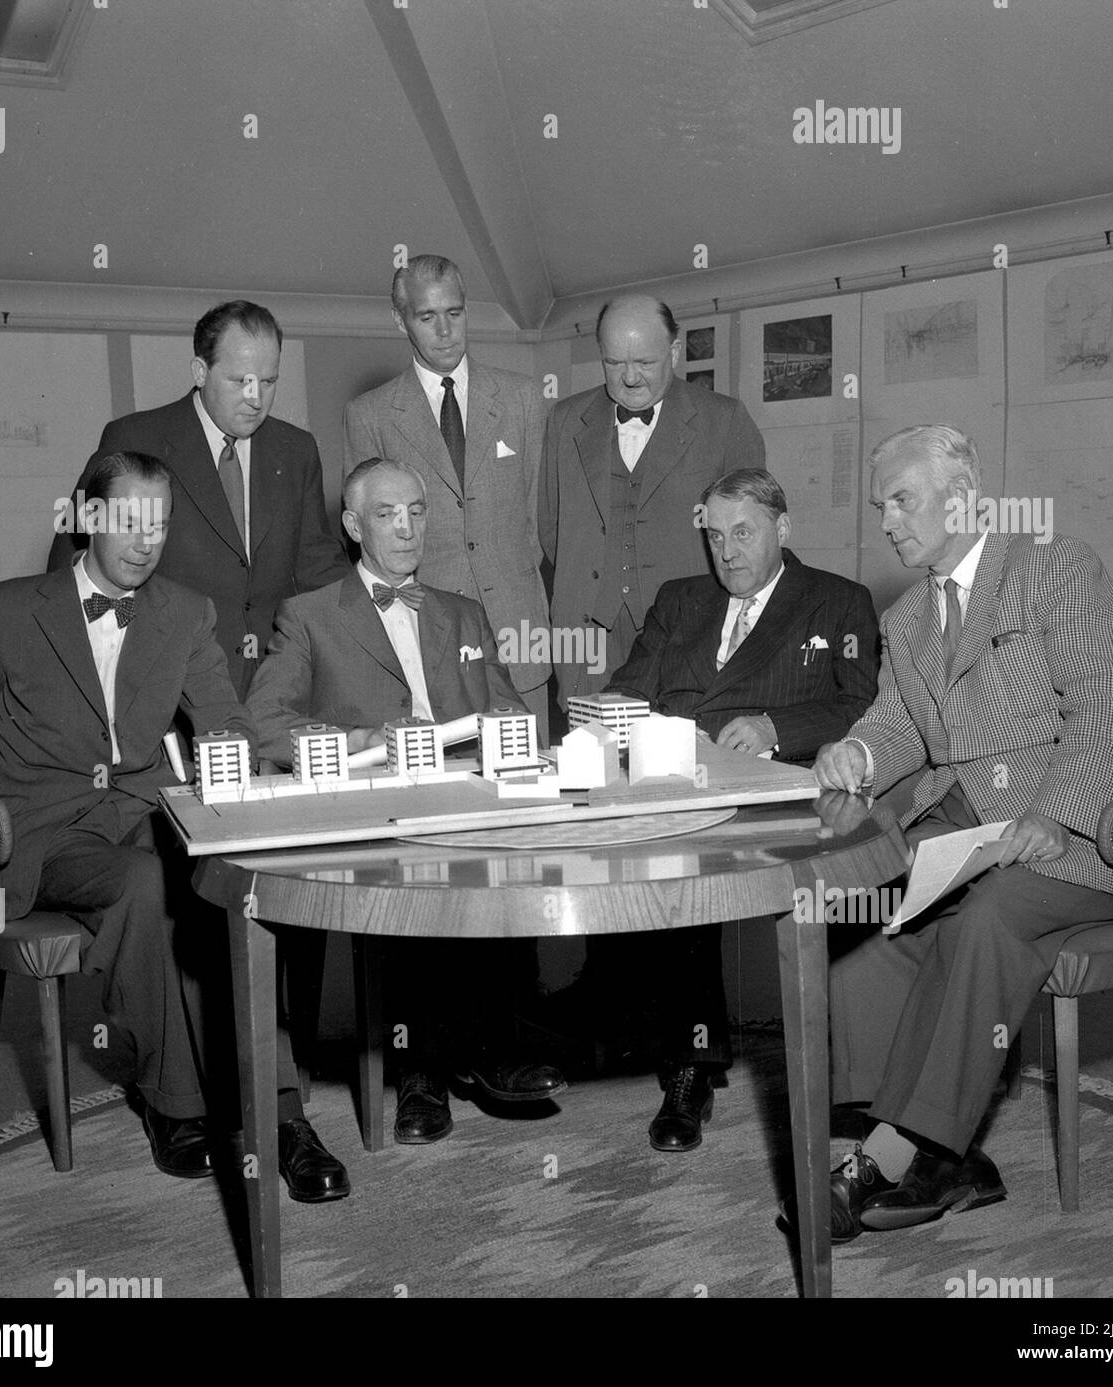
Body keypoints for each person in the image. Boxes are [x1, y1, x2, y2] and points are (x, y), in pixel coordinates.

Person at [0, 452, 349, 1202]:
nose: (146, 540)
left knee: (231, 888)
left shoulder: (182, 610)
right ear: (87, 516)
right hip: (50, 829)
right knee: (149, 883)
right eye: (127, 520)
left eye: (158, 524)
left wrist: (240, 769)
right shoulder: (8, 607)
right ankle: (178, 1106)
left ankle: (282, 1118)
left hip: (155, 809)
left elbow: (225, 722)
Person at [805, 424, 1113, 1241]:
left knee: (988, 916)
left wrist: (1056, 811)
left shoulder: (1054, 569)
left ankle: (899, 1152)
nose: (889, 521)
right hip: (970, 823)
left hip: (1087, 828)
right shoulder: (905, 620)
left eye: (903, 500)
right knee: (868, 911)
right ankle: (927, 1138)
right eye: (881, 506)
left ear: (964, 498)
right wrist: (856, 750)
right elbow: (896, 725)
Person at [247, 456, 567, 1144]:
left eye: (417, 512)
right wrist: (359, 735)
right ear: (354, 525)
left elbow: (512, 715)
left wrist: (519, 750)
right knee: (416, 874)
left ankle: (488, 1048)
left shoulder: (463, 614)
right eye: (388, 514)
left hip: (463, 794)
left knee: (505, 854)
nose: (406, 528)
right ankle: (424, 1069)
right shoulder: (310, 615)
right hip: (374, 804)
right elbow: (264, 720)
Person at [575, 468, 879, 1151]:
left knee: (693, 878)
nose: (728, 552)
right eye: (715, 536)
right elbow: (628, 693)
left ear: (783, 528)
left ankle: (701, 1065)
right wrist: (608, 733)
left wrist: (776, 725)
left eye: (743, 533)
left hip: (780, 794)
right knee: (637, 862)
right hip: (674, 785)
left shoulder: (837, 602)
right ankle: (675, 1055)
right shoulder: (679, 600)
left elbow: (863, 705)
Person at [49, 300, 347, 697]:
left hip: (275, 688)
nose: (256, 399)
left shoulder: (297, 450)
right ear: (200, 371)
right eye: (240, 381)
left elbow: (317, 566)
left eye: (269, 381)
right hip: (167, 687)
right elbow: (69, 559)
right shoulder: (135, 438)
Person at [343, 254, 552, 730]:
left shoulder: (522, 398)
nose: (445, 331)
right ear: (401, 320)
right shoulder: (370, 414)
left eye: (454, 313)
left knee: (531, 782)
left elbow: (540, 517)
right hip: (423, 639)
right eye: (426, 317)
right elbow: (369, 538)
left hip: (519, 639)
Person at [539, 294, 765, 706]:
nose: (629, 378)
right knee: (590, 758)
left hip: (687, 634)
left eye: (644, 363)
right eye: (613, 363)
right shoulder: (565, 420)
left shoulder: (725, 419)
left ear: (675, 353)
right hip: (587, 637)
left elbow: (753, 538)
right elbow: (550, 531)